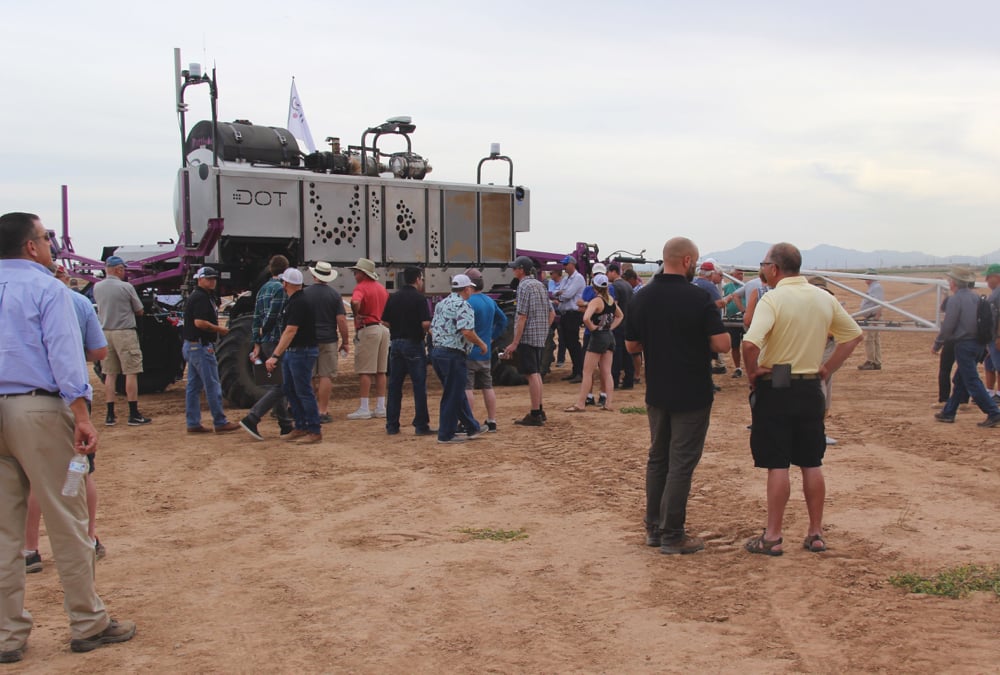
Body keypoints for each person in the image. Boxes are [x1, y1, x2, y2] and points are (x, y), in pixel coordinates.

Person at [0, 211, 136, 662]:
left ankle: (7, 636)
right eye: (44, 238)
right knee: (67, 518)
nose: (49, 245)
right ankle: (87, 621)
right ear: (30, 247)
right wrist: (81, 413)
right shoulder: (46, 288)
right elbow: (64, 353)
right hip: (37, 408)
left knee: (4, 530)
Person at [742, 243, 862, 556]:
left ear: (774, 268)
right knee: (812, 461)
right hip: (811, 388)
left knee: (777, 463)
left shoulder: (773, 299)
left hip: (776, 387)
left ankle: (773, 535)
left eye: (765, 263)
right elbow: (853, 336)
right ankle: (816, 532)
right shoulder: (823, 297)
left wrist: (752, 373)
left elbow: (750, 343)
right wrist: (827, 368)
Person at [625, 237, 730, 555]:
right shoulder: (698, 298)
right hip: (692, 392)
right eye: (695, 261)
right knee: (681, 462)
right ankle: (672, 533)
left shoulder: (642, 297)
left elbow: (631, 346)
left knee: (658, 458)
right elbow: (723, 344)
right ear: (686, 261)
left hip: (658, 390)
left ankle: (654, 528)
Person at [25, 265, 109, 574]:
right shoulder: (74, 301)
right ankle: (88, 539)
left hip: (17, 401)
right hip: (62, 399)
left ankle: (29, 549)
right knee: (79, 471)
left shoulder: (13, 291)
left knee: (30, 479)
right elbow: (99, 351)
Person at [931, 266, 1000, 428]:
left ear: (954, 283)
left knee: (971, 380)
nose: (949, 282)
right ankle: (949, 412)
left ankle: (993, 412)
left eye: (950, 280)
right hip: (978, 345)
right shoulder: (976, 298)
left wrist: (938, 343)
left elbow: (948, 325)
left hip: (964, 344)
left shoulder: (956, 300)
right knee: (960, 379)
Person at [92, 255, 151, 426]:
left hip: (105, 333)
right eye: (123, 269)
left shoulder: (97, 287)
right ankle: (133, 413)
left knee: (110, 374)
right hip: (124, 332)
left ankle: (110, 415)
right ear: (118, 269)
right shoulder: (126, 287)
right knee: (130, 372)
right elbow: (139, 309)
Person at [241, 255, 295, 440]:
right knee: (282, 384)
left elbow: (256, 317)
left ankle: (285, 425)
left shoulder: (263, 289)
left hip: (265, 342)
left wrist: (257, 341)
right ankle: (252, 417)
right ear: (286, 269)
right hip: (277, 340)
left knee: (276, 383)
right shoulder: (281, 289)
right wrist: (267, 331)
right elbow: (272, 316)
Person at [266, 268, 323, 443]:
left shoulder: (298, 303)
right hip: (296, 351)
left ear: (287, 283)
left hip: (301, 352)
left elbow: (291, 330)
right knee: (291, 389)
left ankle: (313, 429)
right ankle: (301, 426)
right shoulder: (296, 301)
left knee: (303, 391)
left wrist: (275, 355)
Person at [182, 267, 241, 434]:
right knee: (212, 384)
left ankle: (193, 422)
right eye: (209, 279)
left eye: (214, 279)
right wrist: (219, 330)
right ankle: (220, 421)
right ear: (200, 279)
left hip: (192, 345)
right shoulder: (201, 298)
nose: (212, 281)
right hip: (200, 346)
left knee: (193, 387)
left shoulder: (199, 296)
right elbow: (199, 323)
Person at [430, 274, 487, 443]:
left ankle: (472, 427)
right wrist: (482, 344)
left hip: (437, 352)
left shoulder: (441, 304)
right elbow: (467, 331)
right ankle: (446, 434)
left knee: (456, 392)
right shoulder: (463, 305)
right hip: (453, 354)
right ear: (467, 289)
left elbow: (432, 329)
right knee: (453, 395)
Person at [381, 266, 433, 436]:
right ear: (418, 279)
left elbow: (385, 321)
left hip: (395, 343)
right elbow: (425, 323)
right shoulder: (419, 299)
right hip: (414, 343)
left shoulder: (393, 297)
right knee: (419, 385)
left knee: (395, 385)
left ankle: (392, 424)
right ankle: (421, 424)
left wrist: (397, 328)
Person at [505, 256, 555, 426]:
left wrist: (515, 342)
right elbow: (552, 313)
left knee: (531, 373)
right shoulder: (540, 285)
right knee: (536, 373)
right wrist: (544, 329)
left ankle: (535, 413)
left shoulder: (524, 286)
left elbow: (522, 316)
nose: (513, 271)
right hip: (539, 336)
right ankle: (539, 409)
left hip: (527, 337)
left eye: (514, 268)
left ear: (521, 269)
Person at [566, 274, 622, 412]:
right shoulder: (610, 299)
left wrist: (593, 328)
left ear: (594, 286)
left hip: (598, 337)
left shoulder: (596, 301)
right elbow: (620, 316)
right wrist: (610, 328)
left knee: (587, 372)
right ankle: (608, 403)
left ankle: (580, 403)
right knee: (607, 372)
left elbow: (586, 318)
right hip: (609, 336)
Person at [304, 261, 349, 423]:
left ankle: (307, 409)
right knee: (326, 375)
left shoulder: (305, 293)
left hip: (308, 339)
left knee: (308, 375)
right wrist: (345, 341)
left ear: (314, 275)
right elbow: (341, 320)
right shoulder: (334, 295)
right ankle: (322, 410)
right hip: (328, 339)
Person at [463, 268, 507, 432]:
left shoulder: (468, 302)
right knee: (487, 386)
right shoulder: (490, 301)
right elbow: (502, 321)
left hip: (469, 350)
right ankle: (492, 420)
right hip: (485, 352)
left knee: (467, 388)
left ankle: (468, 420)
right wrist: (492, 337)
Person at [347, 258, 390, 420]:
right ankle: (380, 406)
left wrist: (356, 314)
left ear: (363, 274)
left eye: (356, 272)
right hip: (382, 328)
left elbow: (355, 301)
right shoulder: (381, 288)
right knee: (381, 370)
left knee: (365, 370)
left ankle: (364, 407)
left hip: (368, 328)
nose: (355, 275)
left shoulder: (361, 287)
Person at [553, 255, 585, 383]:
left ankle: (580, 372)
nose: (564, 267)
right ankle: (575, 371)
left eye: (566, 265)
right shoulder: (566, 278)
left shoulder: (578, 278)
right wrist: (561, 293)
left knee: (573, 343)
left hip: (574, 314)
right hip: (566, 314)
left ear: (572, 264)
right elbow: (556, 291)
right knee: (568, 343)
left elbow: (567, 294)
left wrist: (561, 294)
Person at [607, 263, 635, 389]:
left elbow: (614, 306)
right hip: (628, 324)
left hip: (618, 324)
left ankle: (614, 379)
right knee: (627, 354)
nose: (607, 276)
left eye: (608, 273)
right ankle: (629, 380)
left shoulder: (615, 286)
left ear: (613, 272)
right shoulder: (628, 285)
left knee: (616, 354)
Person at [857, 270, 884, 370]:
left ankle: (871, 361)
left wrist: (876, 318)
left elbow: (880, 303)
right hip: (872, 317)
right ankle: (876, 361)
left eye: (867, 277)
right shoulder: (874, 287)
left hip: (873, 317)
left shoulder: (876, 287)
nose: (865, 279)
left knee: (870, 340)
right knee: (875, 339)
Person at [721, 269, 745, 378]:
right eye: (738, 274)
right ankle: (738, 368)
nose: (741, 276)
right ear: (732, 276)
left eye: (742, 274)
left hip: (745, 319)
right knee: (735, 346)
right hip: (732, 320)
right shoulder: (726, 287)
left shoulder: (746, 285)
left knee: (749, 345)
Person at [985, 264, 1000, 402]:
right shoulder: (995, 293)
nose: (986, 281)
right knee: (989, 363)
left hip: (996, 337)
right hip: (991, 337)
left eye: (988, 277)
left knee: (999, 365)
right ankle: (989, 392)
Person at [547, 268, 566, 367]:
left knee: (562, 338)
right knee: (547, 334)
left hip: (561, 311)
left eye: (551, 272)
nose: (550, 274)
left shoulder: (564, 282)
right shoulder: (550, 282)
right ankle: (548, 357)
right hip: (552, 311)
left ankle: (561, 360)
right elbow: (550, 296)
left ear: (558, 273)